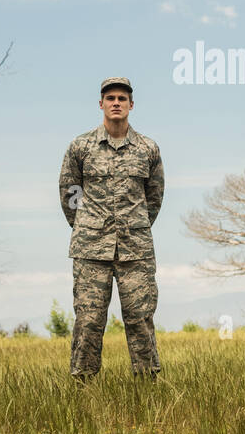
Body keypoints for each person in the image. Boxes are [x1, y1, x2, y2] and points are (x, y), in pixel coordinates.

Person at [58, 77, 165, 380]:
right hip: (91, 250)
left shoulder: (148, 149)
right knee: (89, 321)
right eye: (110, 98)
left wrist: (135, 226)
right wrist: (86, 226)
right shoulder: (81, 147)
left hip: (136, 250)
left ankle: (147, 384)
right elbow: (70, 193)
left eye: (122, 98)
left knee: (140, 319)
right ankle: (83, 384)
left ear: (132, 105)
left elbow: (153, 197)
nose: (116, 103)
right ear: (101, 104)